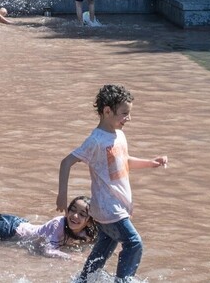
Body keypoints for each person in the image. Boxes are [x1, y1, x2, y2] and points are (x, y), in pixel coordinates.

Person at [57, 84, 168, 283]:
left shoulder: (119, 135)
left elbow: (123, 163)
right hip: (108, 207)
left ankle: (83, 280)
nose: (129, 118)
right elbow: (66, 162)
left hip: (112, 207)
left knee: (104, 247)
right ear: (107, 111)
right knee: (134, 243)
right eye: (124, 113)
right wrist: (62, 196)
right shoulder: (96, 140)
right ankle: (123, 281)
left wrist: (151, 163)